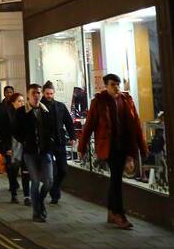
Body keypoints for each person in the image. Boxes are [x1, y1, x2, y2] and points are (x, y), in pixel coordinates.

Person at [77, 73, 145, 229]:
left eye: (118, 84)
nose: (117, 87)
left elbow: (136, 125)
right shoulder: (99, 102)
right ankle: (119, 214)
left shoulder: (126, 101)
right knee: (116, 178)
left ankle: (111, 212)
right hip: (109, 147)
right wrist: (82, 147)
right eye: (113, 84)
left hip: (124, 146)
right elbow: (89, 126)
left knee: (116, 179)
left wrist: (142, 147)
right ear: (105, 86)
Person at [17, 83, 57, 222]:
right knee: (35, 181)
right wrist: (25, 141)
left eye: (39, 93)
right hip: (30, 153)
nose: (37, 95)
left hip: (45, 151)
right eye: (34, 93)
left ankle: (39, 202)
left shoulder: (46, 111)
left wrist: (51, 142)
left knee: (49, 181)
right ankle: (36, 213)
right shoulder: (21, 112)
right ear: (28, 95)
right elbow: (15, 131)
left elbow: (52, 129)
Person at [0, 87, 30, 205]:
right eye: (19, 101)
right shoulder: (6, 114)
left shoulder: (27, 113)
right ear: (13, 102)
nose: (22, 103)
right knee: (12, 172)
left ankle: (26, 196)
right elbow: (1, 132)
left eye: (23, 101)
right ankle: (14, 194)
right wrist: (4, 148)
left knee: (25, 171)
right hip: (11, 146)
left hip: (24, 146)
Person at [41, 81, 76, 205]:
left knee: (63, 170)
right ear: (43, 93)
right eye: (47, 93)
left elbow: (68, 121)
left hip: (59, 141)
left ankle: (55, 188)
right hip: (45, 144)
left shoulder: (60, 106)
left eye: (51, 93)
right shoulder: (39, 107)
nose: (49, 96)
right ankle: (54, 194)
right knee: (51, 171)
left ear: (54, 93)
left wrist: (72, 137)